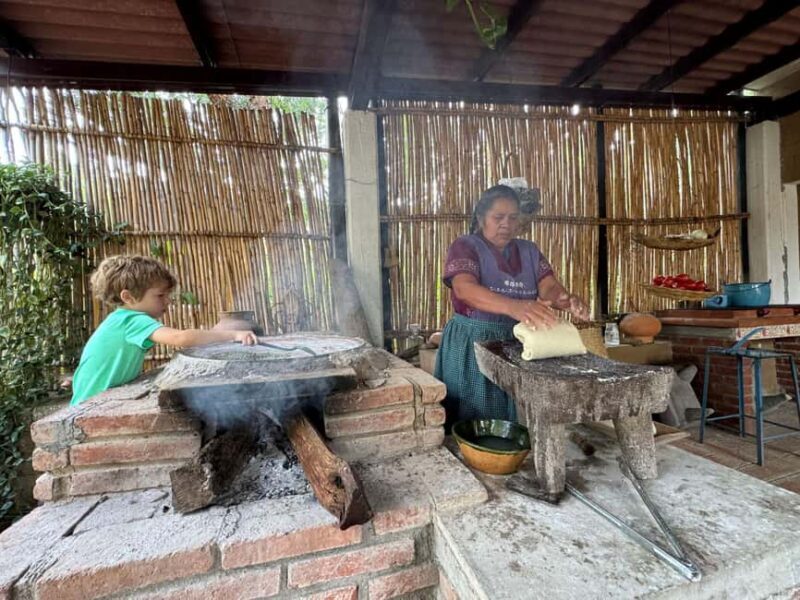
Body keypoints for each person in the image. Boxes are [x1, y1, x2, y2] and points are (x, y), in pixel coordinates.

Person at [434, 184, 590, 425]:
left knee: (510, 417)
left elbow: (548, 286)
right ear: (480, 217)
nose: (506, 224)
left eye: (513, 218)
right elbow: (464, 288)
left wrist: (564, 299)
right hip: (473, 342)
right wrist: (515, 307)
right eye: (498, 217)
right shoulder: (465, 246)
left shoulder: (529, 251)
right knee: (474, 420)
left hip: (515, 343)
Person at [70, 255, 258, 406]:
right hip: (90, 404)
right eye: (160, 295)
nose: (167, 301)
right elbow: (181, 338)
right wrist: (233, 334)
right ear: (128, 297)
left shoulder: (120, 319)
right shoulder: (131, 320)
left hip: (90, 400)